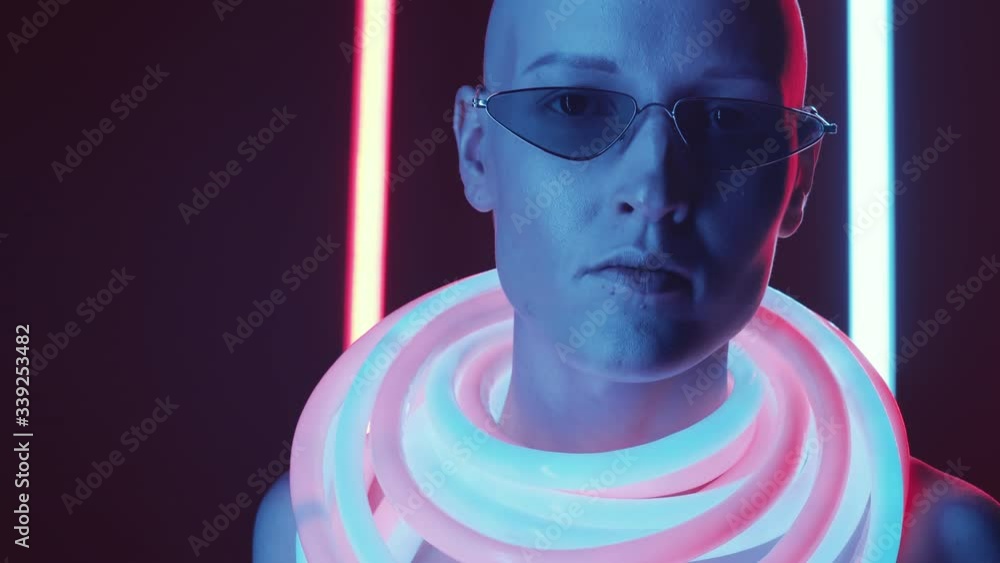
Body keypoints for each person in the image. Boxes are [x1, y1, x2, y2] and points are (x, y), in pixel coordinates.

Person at [254, 0, 1000, 561]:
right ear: (476, 149)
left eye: (722, 118)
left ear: (799, 179)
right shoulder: (321, 527)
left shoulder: (936, 540)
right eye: (575, 105)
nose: (653, 185)